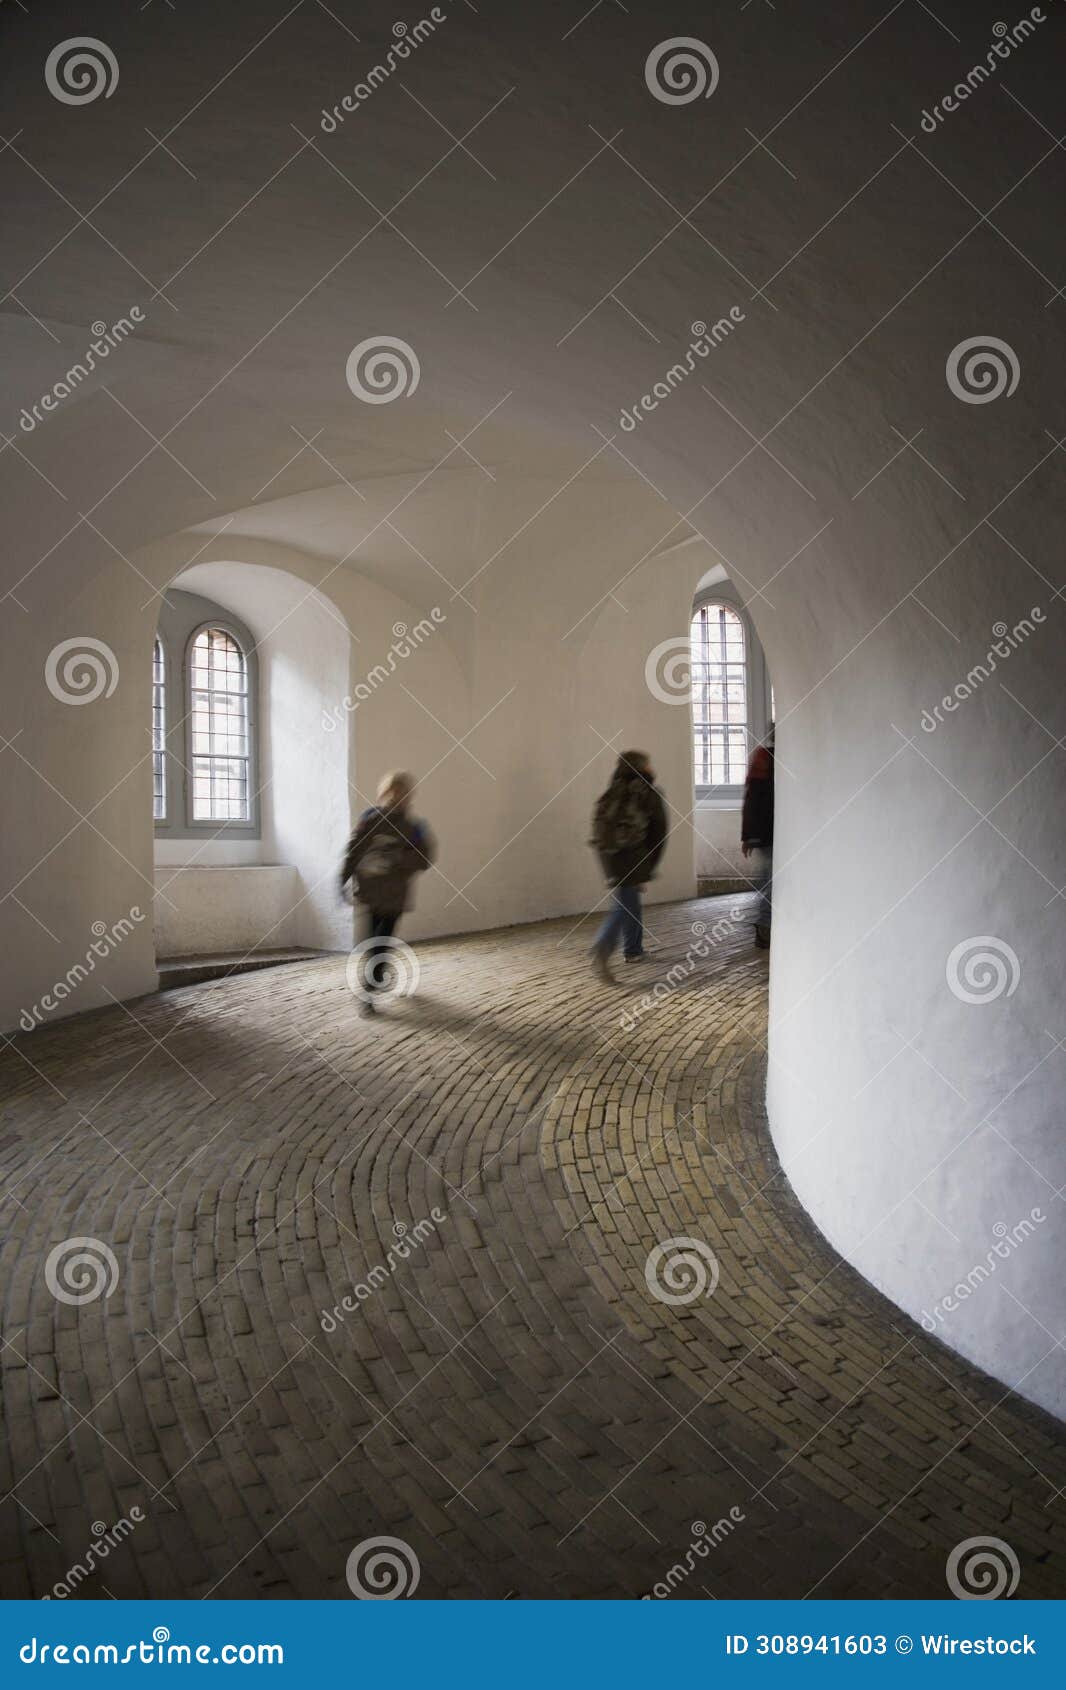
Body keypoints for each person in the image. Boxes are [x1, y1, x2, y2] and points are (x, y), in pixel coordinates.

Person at [339, 771, 436, 1017]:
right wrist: (343, 878)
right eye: (395, 793)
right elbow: (354, 849)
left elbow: (425, 857)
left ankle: (371, 984)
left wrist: (398, 859)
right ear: (385, 793)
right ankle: (373, 983)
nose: (399, 798)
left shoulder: (414, 827)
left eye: (404, 794)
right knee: (373, 942)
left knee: (382, 941)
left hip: (394, 895)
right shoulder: (370, 819)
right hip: (371, 892)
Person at [588, 750, 667, 983]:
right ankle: (603, 945)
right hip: (634, 856)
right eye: (649, 764)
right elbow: (658, 834)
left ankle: (634, 950)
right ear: (642, 768)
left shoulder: (612, 792)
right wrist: (649, 867)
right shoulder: (649, 794)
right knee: (624, 905)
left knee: (628, 900)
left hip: (609, 857)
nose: (652, 768)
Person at [741, 726, 774, 950]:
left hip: (768, 832)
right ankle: (764, 927)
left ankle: (766, 927)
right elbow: (753, 799)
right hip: (768, 834)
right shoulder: (765, 759)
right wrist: (750, 836)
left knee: (769, 880)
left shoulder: (765, 759)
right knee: (770, 881)